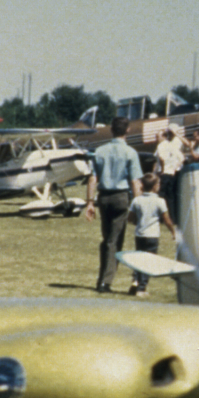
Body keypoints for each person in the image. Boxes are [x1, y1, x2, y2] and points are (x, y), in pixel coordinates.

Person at [83, 115, 144, 293]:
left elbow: (92, 178)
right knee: (114, 241)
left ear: (111, 130)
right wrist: (138, 205)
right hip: (120, 197)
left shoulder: (100, 151)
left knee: (107, 239)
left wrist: (90, 202)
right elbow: (135, 182)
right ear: (128, 130)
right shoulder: (130, 153)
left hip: (104, 197)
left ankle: (102, 279)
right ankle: (105, 282)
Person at [124, 172, 176, 297]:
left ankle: (135, 281)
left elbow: (130, 218)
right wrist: (173, 231)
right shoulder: (160, 201)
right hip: (152, 235)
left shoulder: (137, 200)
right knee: (149, 262)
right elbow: (166, 219)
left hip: (140, 235)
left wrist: (138, 220)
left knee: (139, 260)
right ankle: (142, 288)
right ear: (155, 186)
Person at [154, 123, 186, 218]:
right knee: (171, 197)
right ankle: (173, 217)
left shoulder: (161, 146)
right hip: (171, 174)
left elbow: (161, 159)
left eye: (157, 137)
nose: (156, 139)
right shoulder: (171, 145)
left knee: (161, 196)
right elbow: (181, 158)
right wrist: (175, 168)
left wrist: (162, 170)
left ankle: (160, 216)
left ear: (163, 136)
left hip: (164, 174)